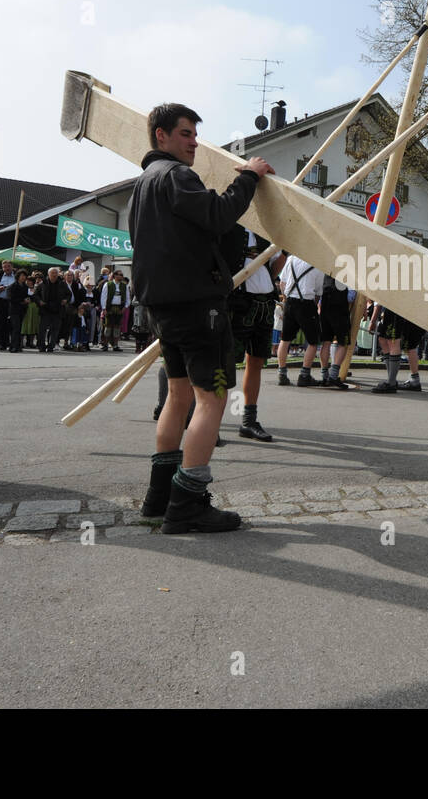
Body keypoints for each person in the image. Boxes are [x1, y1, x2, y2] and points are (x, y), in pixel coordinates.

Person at [130, 101, 273, 534]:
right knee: (211, 400)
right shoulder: (175, 176)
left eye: (195, 134)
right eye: (186, 133)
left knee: (178, 398)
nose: (194, 142)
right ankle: (188, 503)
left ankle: (159, 498)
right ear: (161, 135)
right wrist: (249, 175)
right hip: (197, 307)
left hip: (163, 307)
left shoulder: (143, 184)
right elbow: (217, 215)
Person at [223, 226, 283, 438]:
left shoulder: (263, 231)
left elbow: (272, 270)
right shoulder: (227, 227)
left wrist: (285, 252)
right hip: (237, 303)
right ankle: (210, 420)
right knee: (224, 362)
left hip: (264, 304)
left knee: (256, 362)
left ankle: (248, 421)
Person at [276, 252, 322, 385]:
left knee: (285, 339)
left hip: (290, 302)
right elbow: (318, 292)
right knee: (313, 341)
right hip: (306, 303)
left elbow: (282, 283)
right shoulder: (317, 265)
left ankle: (282, 373)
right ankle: (304, 375)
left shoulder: (290, 259)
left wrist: (287, 298)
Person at [36, 266, 70, 352]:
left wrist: (66, 300)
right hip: (45, 309)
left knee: (55, 329)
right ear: (48, 274)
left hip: (58, 309)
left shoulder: (62, 283)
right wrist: (39, 301)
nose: (54, 275)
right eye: (52, 273)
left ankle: (51, 346)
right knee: (42, 329)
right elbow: (36, 295)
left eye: (56, 273)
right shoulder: (43, 283)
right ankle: (42, 346)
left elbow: (68, 294)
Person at [99, 269, 131, 351]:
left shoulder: (125, 286)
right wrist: (104, 308)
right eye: (119, 275)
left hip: (120, 308)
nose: (121, 276)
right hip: (110, 307)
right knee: (108, 327)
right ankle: (105, 345)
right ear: (115, 275)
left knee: (117, 327)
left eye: (122, 275)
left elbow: (128, 298)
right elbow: (103, 297)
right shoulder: (108, 284)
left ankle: (115, 345)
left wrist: (125, 307)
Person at [7, 269, 30, 352]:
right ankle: (13, 346)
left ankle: (18, 345)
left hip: (22, 310)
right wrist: (22, 301)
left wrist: (28, 299)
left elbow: (27, 296)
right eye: (22, 276)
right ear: (18, 277)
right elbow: (10, 298)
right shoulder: (12, 286)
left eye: (25, 276)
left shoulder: (25, 286)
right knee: (15, 328)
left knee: (20, 328)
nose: (23, 277)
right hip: (14, 310)